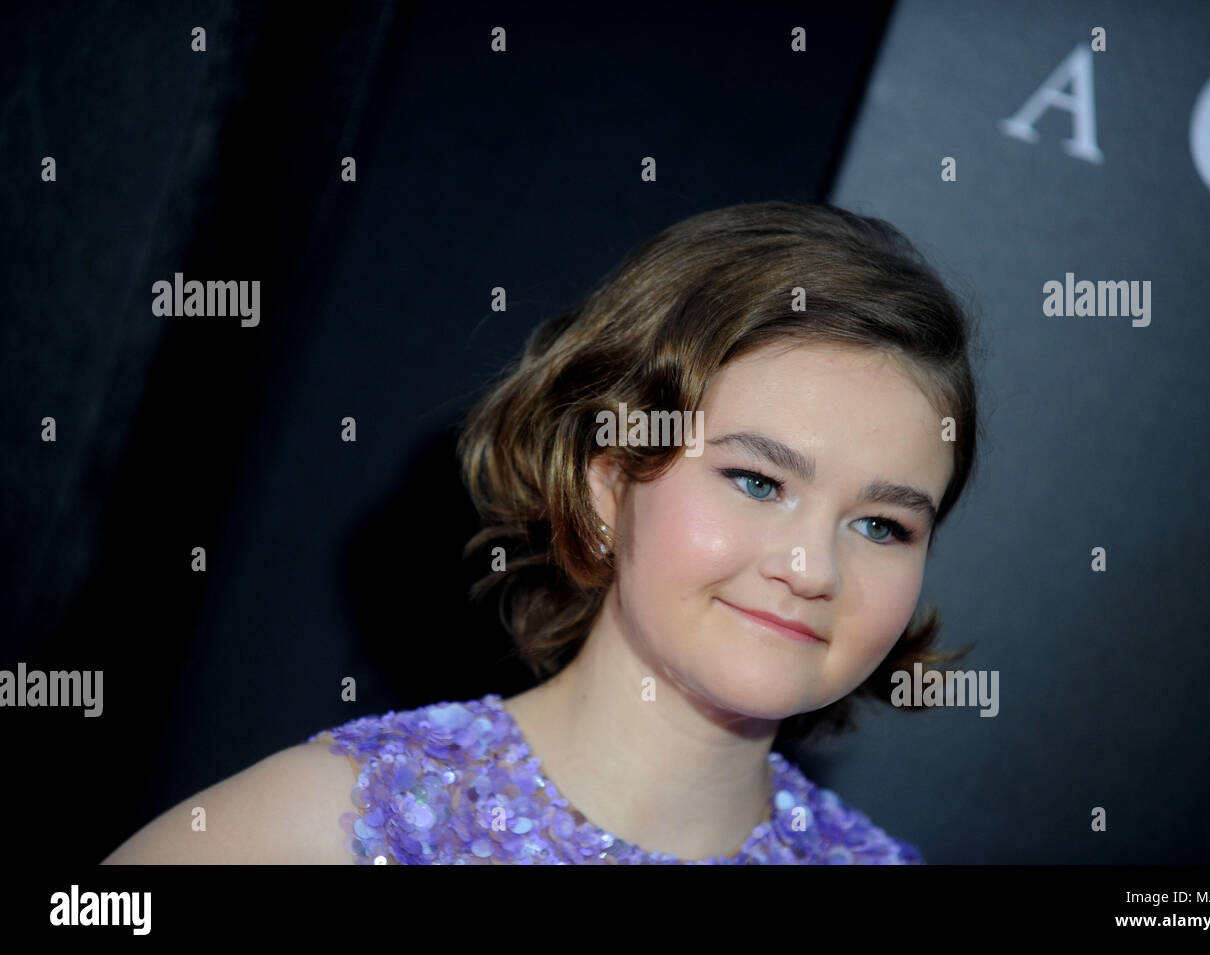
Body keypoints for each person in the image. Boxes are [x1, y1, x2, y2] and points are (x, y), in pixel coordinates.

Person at [102, 199, 980, 865]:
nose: (811, 566)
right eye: (757, 480)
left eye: (881, 523)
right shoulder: (334, 827)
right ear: (608, 484)